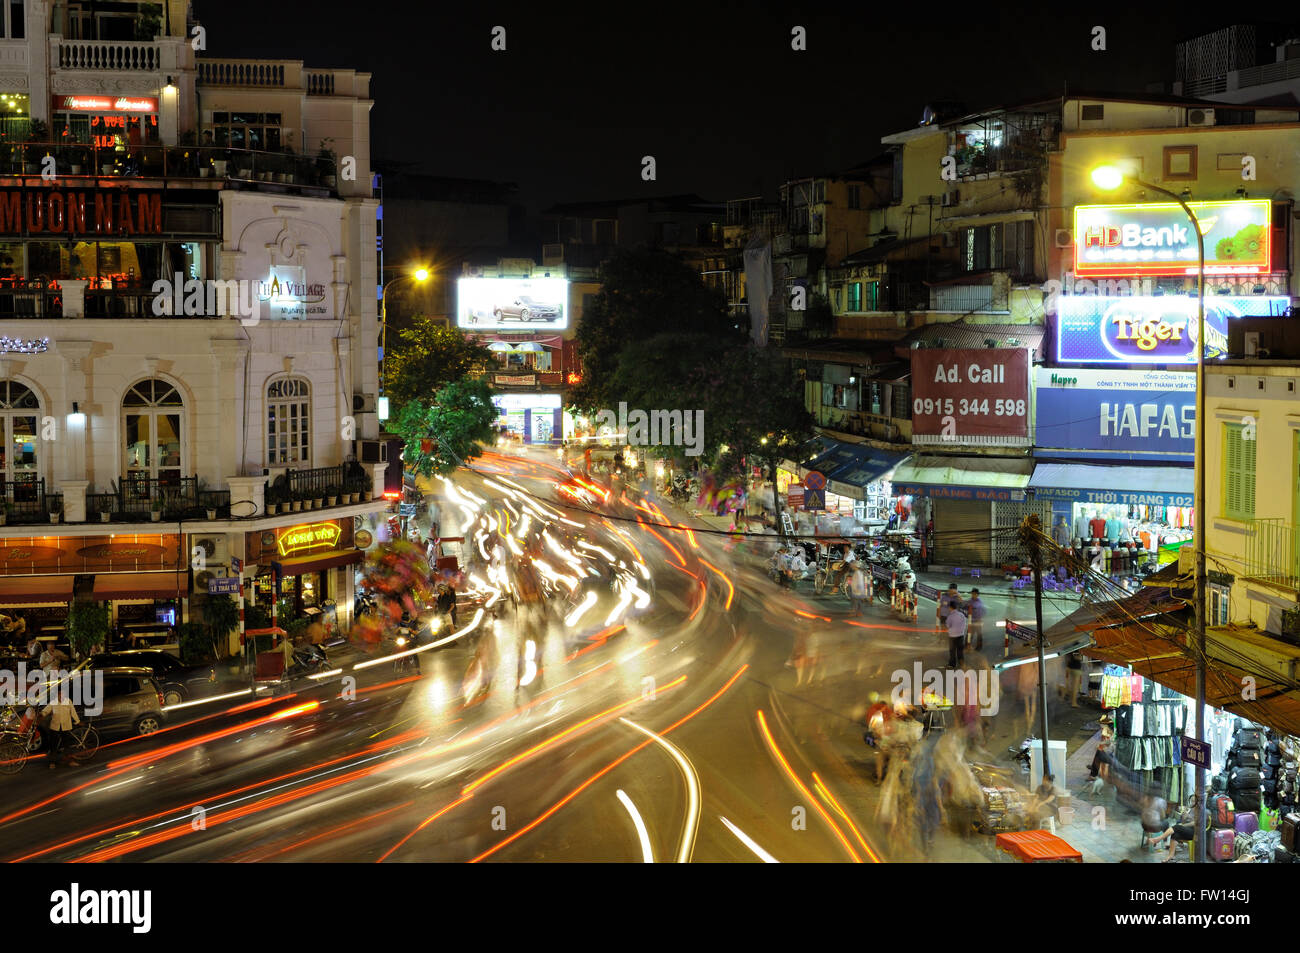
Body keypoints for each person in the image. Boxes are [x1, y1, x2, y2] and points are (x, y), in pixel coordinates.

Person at [41, 695, 80, 769]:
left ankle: (70, 761)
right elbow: (45, 711)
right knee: (53, 745)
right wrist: (41, 715)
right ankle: (52, 762)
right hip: (55, 726)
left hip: (66, 726)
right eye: (59, 694)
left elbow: (73, 712)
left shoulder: (68, 701)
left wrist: (77, 721)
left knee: (67, 745)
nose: (61, 696)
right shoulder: (53, 702)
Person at [945, 600, 967, 668]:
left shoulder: (950, 616)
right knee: (960, 650)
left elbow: (948, 625)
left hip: (952, 636)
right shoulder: (962, 615)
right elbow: (964, 624)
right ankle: (961, 663)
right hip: (961, 635)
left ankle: (952, 664)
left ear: (950, 607)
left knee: (952, 651)